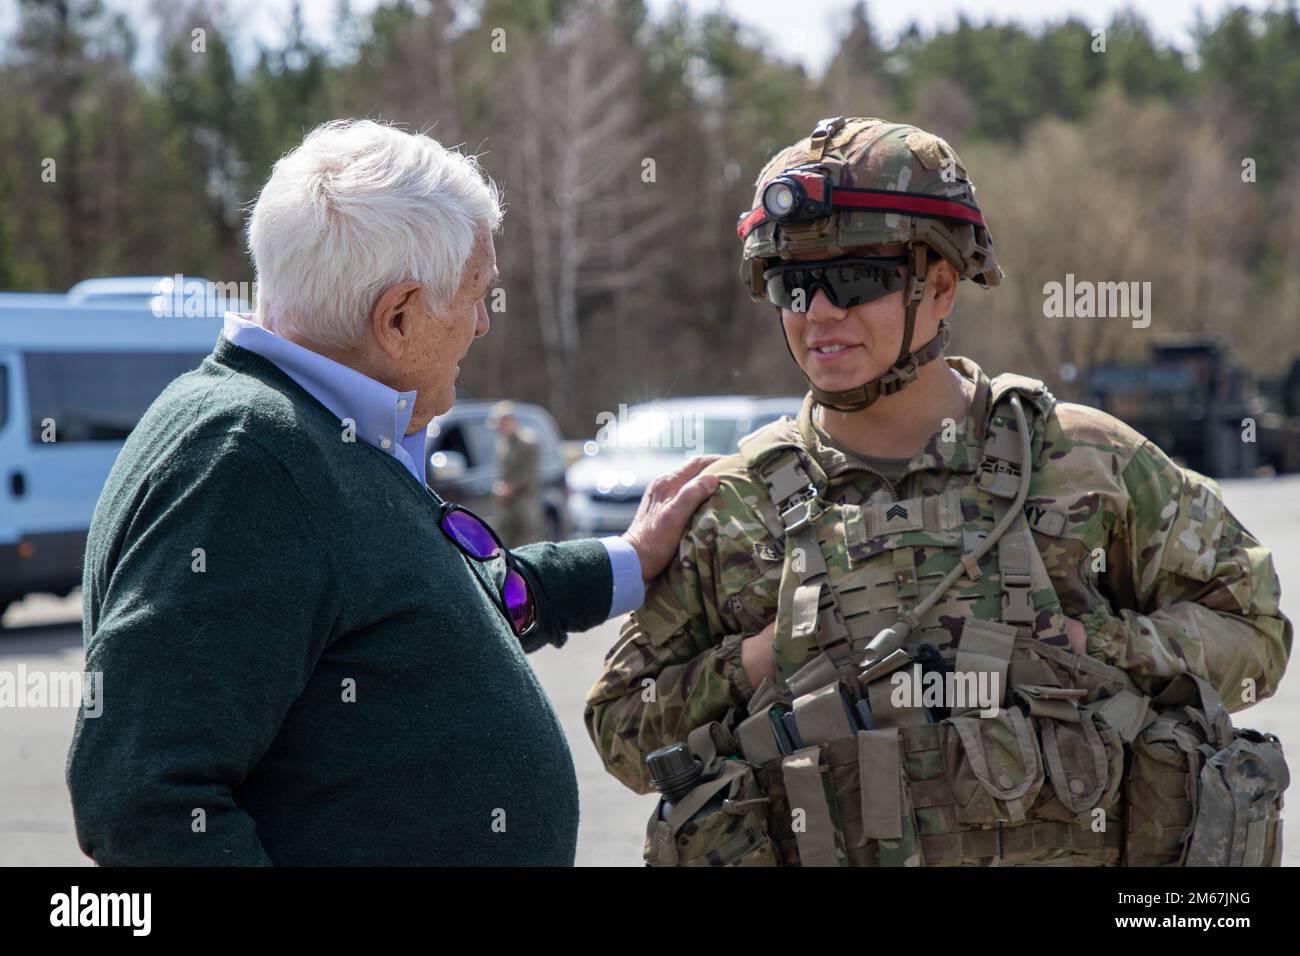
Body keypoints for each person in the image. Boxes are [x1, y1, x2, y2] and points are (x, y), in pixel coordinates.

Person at [585, 116, 1291, 867]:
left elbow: (1255, 633)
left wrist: (1099, 645)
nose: (819, 312)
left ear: (942, 284)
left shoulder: (1085, 461)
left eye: (855, 280)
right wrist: (760, 661)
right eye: (794, 285)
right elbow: (624, 733)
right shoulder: (731, 506)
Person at [66, 119, 719, 866]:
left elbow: (465, 604)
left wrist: (630, 558)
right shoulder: (245, 459)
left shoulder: (326, 431)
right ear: (398, 316)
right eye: (478, 296)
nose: (481, 326)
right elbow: (143, 798)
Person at [487, 401, 542, 546]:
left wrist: (511, 487)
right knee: (506, 540)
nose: (499, 429)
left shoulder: (527, 442)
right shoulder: (503, 443)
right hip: (507, 503)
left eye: (501, 424)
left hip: (524, 500)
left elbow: (529, 472)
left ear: (509, 421)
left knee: (527, 541)